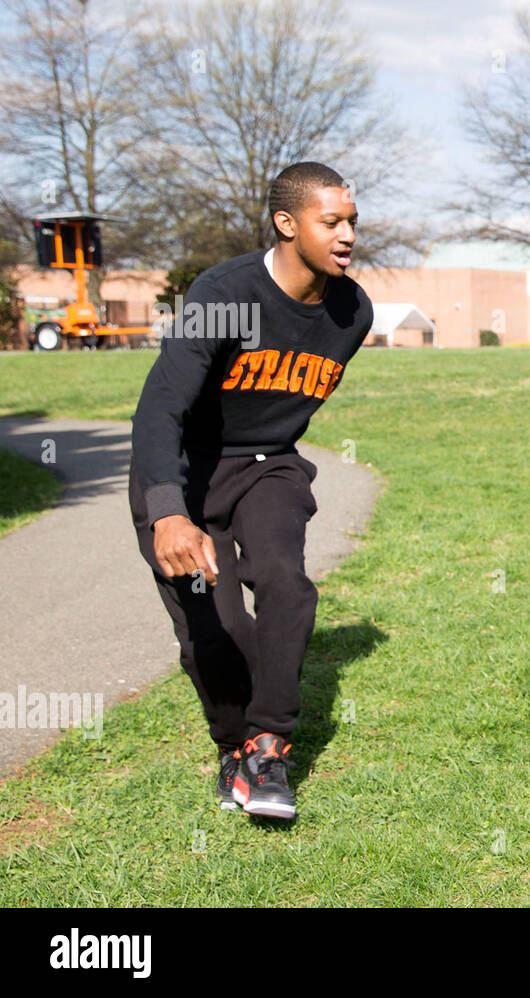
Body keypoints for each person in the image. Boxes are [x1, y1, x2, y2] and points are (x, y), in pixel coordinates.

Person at [128, 162, 373, 818]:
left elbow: (282, 406)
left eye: (352, 220)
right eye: (332, 222)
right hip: (186, 470)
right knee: (219, 627)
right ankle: (232, 747)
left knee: (286, 585)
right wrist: (167, 514)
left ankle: (269, 745)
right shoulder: (225, 294)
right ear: (287, 224)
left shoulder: (353, 312)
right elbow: (159, 408)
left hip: (269, 466)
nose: (347, 233)